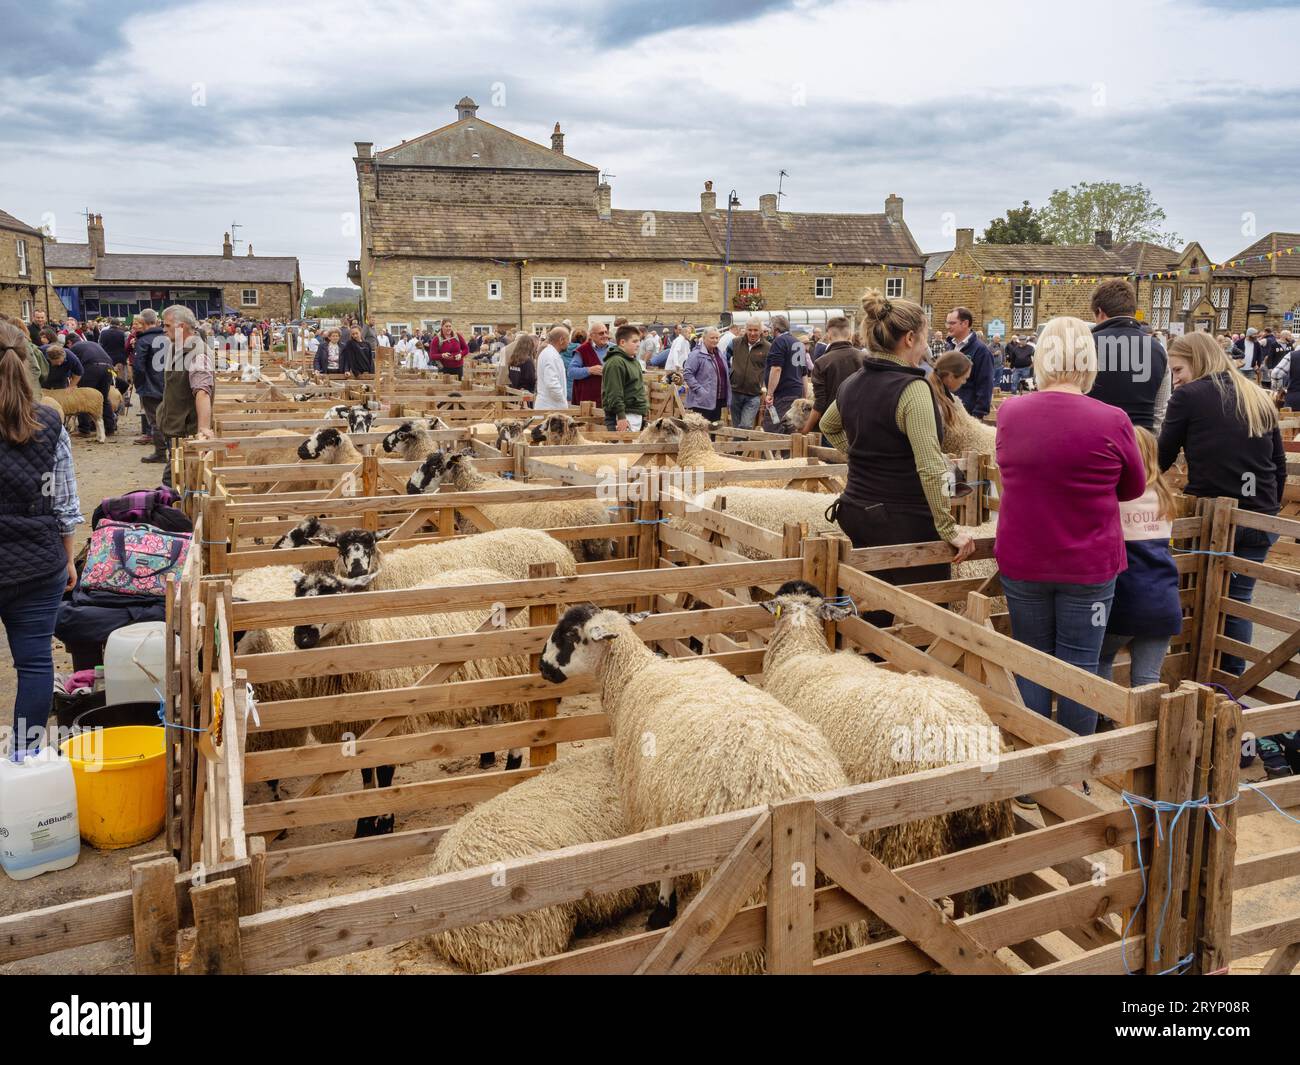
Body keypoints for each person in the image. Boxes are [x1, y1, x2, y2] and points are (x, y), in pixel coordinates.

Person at [995, 316, 1145, 737]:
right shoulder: (1112, 418)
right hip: (1089, 561)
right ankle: (1075, 770)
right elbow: (1133, 488)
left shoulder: (1011, 411)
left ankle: (1034, 763)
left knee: (1032, 658)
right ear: (1088, 358)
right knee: (1081, 662)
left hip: (1024, 556)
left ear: (1041, 356)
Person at [829, 290, 974, 626]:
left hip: (857, 510)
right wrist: (947, 527)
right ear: (910, 338)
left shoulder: (853, 382)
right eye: (924, 338)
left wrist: (861, 460)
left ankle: (871, 667)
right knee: (925, 619)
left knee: (874, 608)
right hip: (904, 519)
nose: (925, 348)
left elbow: (828, 424)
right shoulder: (913, 389)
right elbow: (928, 463)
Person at [1158, 331, 1286, 678]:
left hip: (1214, 515)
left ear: (1197, 361)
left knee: (1197, 596)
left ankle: (1192, 678)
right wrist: (1269, 506)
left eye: (1179, 369)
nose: (1177, 378)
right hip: (1260, 515)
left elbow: (1161, 455)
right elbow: (1278, 462)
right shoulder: (1256, 394)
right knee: (1237, 600)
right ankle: (1231, 683)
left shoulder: (1189, 397)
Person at [0, 321, 82, 754]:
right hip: (38, 559)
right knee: (34, 666)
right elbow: (65, 503)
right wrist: (67, 559)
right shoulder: (49, 419)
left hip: (30, 557)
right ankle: (25, 757)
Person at [1096, 427, 1182, 694]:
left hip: (1124, 601)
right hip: (1163, 603)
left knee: (1098, 660)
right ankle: (1152, 732)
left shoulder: (1113, 497)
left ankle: (1103, 721)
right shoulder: (1164, 497)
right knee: (1147, 681)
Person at [1088, 279, 1169, 431]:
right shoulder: (1158, 349)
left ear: (1100, 312)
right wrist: (1151, 443)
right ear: (1132, 310)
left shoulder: (1086, 345)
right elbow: (1160, 411)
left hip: (1095, 439)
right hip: (1140, 441)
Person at [154, 304, 215, 490]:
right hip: (174, 427)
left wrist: (203, 428)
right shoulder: (177, 347)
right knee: (175, 478)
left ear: (181, 327)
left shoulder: (197, 354)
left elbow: (202, 392)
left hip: (184, 431)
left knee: (175, 481)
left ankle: (174, 516)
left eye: (167, 326)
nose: (163, 330)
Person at [802, 316, 864, 435]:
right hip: (860, 425)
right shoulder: (865, 358)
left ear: (828, 335)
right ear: (850, 335)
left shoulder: (821, 362)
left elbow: (820, 402)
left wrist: (805, 430)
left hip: (832, 428)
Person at [132, 309, 168, 463]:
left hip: (151, 386)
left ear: (144, 323)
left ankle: (160, 453)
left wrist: (139, 386)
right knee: (169, 419)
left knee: (155, 421)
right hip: (168, 384)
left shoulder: (144, 340)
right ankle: (173, 451)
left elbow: (138, 367)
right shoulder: (167, 337)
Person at [944, 307, 994, 419]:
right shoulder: (950, 346)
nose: (948, 326)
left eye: (952, 323)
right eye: (947, 323)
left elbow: (985, 384)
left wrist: (978, 414)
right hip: (949, 411)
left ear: (965, 323)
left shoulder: (981, 351)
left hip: (968, 414)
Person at [601, 324, 649, 431]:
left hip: (635, 413)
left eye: (639, 341)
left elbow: (636, 389)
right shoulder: (616, 362)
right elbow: (614, 392)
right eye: (634, 341)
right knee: (622, 446)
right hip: (624, 415)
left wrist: (643, 411)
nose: (638, 344)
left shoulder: (633, 361)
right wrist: (621, 417)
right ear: (622, 342)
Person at [764, 314, 809, 425]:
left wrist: (769, 394)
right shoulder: (798, 343)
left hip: (782, 394)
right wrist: (804, 395)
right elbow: (804, 373)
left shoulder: (779, 341)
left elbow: (776, 369)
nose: (770, 330)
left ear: (776, 328)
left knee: (773, 426)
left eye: (771, 327)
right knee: (789, 426)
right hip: (796, 393)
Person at [727, 320, 769, 429]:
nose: (752, 333)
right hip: (735, 392)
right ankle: (737, 445)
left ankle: (738, 444)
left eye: (756, 330)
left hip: (753, 394)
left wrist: (765, 385)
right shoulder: (735, 342)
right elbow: (724, 360)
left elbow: (771, 369)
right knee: (736, 428)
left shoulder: (767, 347)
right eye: (750, 330)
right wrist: (730, 375)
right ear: (745, 330)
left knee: (745, 426)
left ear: (760, 331)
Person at [682, 327, 729, 421]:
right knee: (701, 431)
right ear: (704, 338)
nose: (715, 340)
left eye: (717, 338)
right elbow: (687, 373)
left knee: (713, 429)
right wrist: (699, 390)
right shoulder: (696, 354)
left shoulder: (719, 354)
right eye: (712, 338)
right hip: (702, 402)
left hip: (717, 400)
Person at [570, 323, 608, 406]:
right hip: (589, 401)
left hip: (610, 398)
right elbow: (571, 372)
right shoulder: (582, 350)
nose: (605, 335)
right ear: (591, 335)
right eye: (601, 333)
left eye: (606, 332)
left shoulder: (614, 349)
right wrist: (589, 370)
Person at [534, 326, 570, 410]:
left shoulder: (549, 353)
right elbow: (552, 384)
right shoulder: (551, 356)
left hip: (549, 405)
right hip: (550, 407)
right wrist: (562, 401)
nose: (569, 343)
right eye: (568, 339)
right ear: (561, 340)